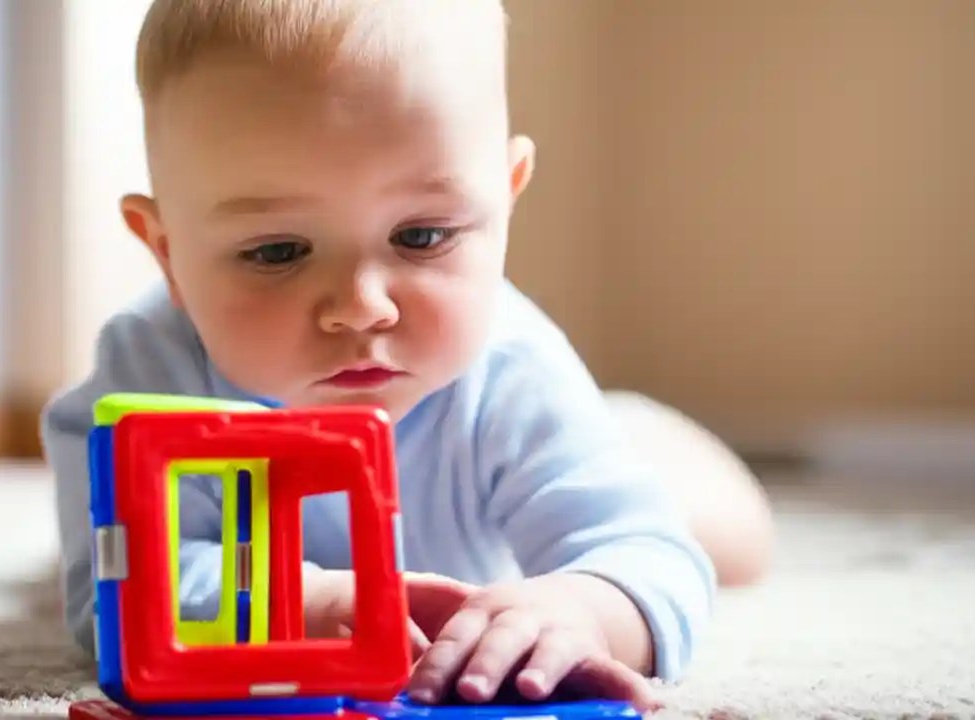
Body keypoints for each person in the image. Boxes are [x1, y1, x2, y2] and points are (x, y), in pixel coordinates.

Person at [41, 0, 773, 712]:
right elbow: (114, 600)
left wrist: (583, 609)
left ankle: (638, 431)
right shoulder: (146, 372)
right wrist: (309, 601)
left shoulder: (511, 368)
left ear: (504, 203)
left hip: (550, 454)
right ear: (168, 254)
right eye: (277, 251)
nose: (362, 305)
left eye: (422, 236)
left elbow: (647, 555)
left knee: (727, 536)